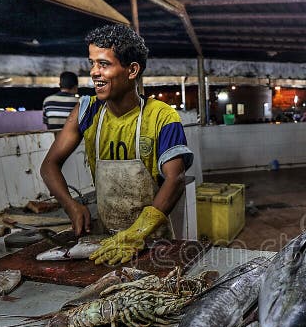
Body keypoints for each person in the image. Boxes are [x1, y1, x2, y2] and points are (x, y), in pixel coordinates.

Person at [40, 24, 193, 266]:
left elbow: (175, 178)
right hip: (108, 239)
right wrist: (70, 204)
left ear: (132, 70)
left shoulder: (162, 117)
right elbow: (49, 165)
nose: (94, 72)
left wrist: (137, 233)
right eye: (92, 63)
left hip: (152, 241)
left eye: (104, 64)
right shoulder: (87, 111)